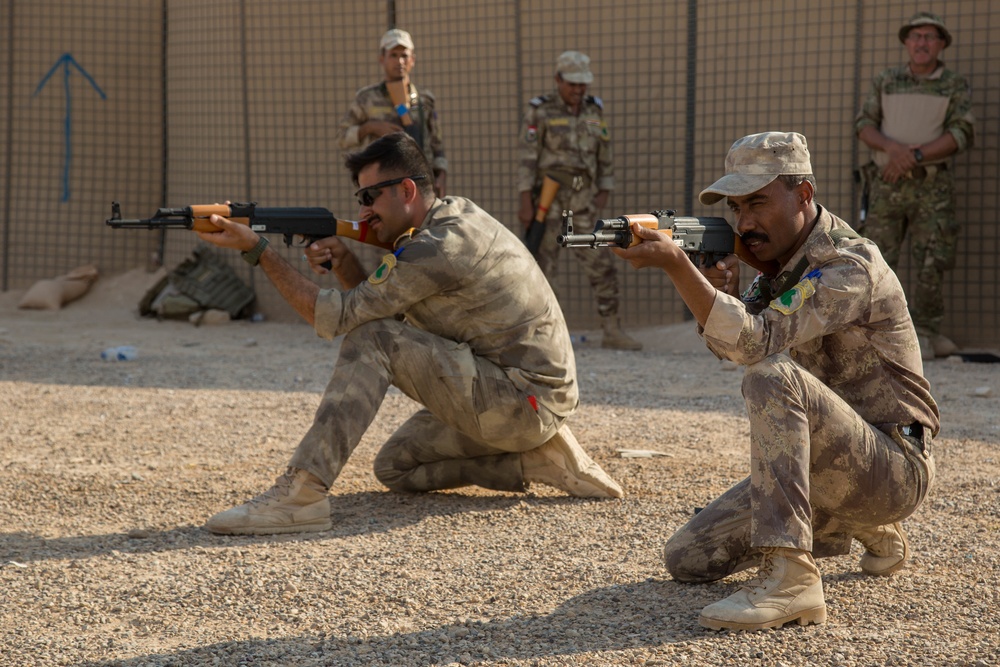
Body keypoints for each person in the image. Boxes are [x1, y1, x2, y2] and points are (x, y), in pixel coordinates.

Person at [194, 133, 623, 535]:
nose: (363, 212)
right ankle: (532, 460)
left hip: (523, 401)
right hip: (518, 396)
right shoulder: (452, 216)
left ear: (407, 191)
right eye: (358, 199)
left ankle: (300, 497)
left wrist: (258, 251)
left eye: (369, 197)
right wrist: (344, 263)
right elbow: (375, 304)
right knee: (397, 468)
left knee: (372, 340)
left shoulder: (438, 247)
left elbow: (340, 318)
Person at [613, 132, 937, 631]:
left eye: (758, 202)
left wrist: (678, 267)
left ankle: (792, 578)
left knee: (769, 375)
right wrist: (714, 289)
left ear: (803, 194)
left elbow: (754, 349)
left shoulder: (849, 266)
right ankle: (863, 523)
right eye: (737, 207)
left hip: (894, 468)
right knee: (688, 558)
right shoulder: (779, 274)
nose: (744, 222)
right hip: (832, 464)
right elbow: (732, 339)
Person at [855, 11, 975, 361]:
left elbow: (962, 133)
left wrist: (915, 156)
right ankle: (872, 331)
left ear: (940, 45)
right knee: (874, 258)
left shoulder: (952, 84)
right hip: (886, 184)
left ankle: (923, 333)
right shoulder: (886, 80)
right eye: (916, 36)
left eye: (929, 37)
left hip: (932, 188)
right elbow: (864, 124)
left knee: (931, 262)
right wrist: (893, 150)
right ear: (907, 42)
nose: (922, 42)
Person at [517, 50, 642, 351]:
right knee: (544, 270)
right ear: (558, 79)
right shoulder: (541, 110)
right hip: (546, 202)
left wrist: (605, 187)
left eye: (583, 84)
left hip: (583, 201)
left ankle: (611, 329)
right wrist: (525, 198)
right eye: (572, 83)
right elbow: (528, 157)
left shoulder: (593, 111)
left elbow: (604, 153)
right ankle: (548, 337)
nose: (578, 89)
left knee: (601, 265)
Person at [337, 29, 448, 196]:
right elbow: (343, 137)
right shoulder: (367, 98)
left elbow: (436, 143)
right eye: (393, 55)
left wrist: (441, 174)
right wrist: (370, 127)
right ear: (382, 59)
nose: (400, 61)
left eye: (404, 55)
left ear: (413, 60)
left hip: (419, 182)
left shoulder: (424, 99)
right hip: (381, 185)